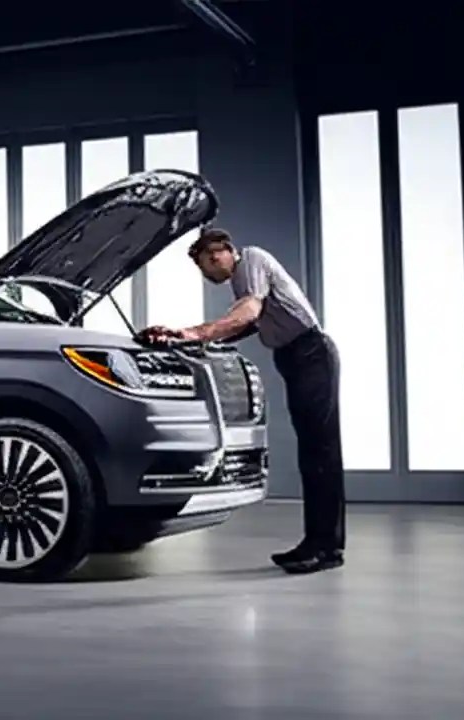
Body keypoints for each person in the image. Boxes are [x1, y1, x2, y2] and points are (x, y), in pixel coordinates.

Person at [141, 228, 345, 574]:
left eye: (210, 259)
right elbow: (246, 325)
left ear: (228, 251)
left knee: (320, 453)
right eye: (202, 265)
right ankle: (317, 543)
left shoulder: (251, 259)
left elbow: (249, 312)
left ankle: (326, 549)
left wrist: (197, 332)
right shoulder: (244, 281)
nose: (208, 269)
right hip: (295, 357)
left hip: (311, 353)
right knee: (313, 454)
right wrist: (183, 335)